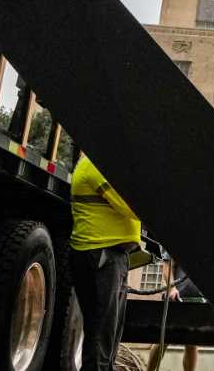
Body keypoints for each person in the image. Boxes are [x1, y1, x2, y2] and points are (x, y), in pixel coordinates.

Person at [69, 152, 142, 371]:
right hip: (101, 256)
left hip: (109, 256)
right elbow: (131, 207)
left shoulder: (96, 164)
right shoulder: (95, 166)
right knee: (101, 334)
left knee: (107, 335)